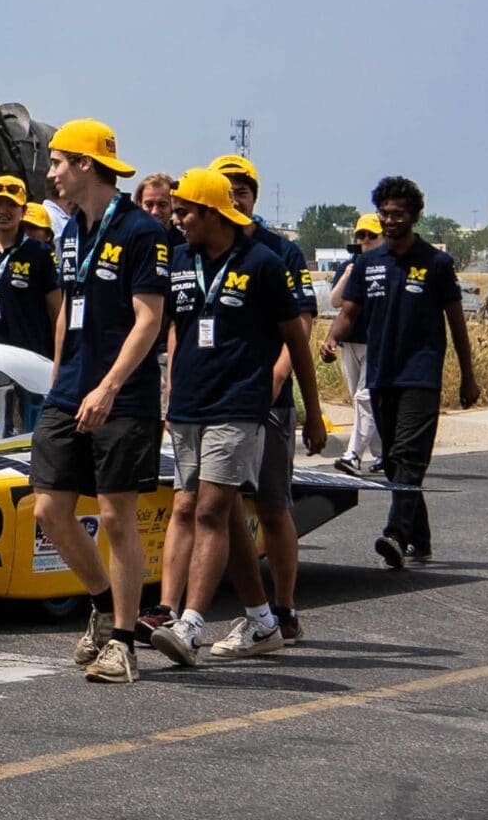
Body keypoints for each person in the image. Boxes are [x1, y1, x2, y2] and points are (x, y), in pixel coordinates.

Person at [150, 167, 324, 668]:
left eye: (184, 211)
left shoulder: (264, 264)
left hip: (240, 406)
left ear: (210, 213)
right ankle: (263, 622)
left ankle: (191, 624)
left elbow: (296, 339)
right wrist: (168, 395)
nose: (176, 219)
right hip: (188, 406)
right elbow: (177, 330)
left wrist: (312, 413)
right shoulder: (180, 260)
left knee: (208, 510)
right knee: (221, 515)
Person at [29, 123, 167, 685]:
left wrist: (108, 386)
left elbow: (150, 320)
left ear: (87, 164)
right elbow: (67, 312)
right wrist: (60, 379)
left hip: (124, 395)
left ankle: (126, 641)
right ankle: (104, 605)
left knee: (115, 516)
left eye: (58, 162)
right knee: (49, 511)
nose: (52, 172)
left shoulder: (140, 232)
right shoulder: (68, 234)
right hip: (69, 392)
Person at [322, 178, 481, 568]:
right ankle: (420, 539)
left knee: (410, 455)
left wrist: (468, 375)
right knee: (393, 460)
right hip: (381, 373)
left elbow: (457, 323)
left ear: (413, 216)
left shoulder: (436, 263)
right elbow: (349, 312)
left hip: (421, 373)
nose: (390, 221)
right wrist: (329, 340)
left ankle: (395, 532)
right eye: (385, 214)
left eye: (398, 214)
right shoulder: (368, 263)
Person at [207, 153, 317, 644]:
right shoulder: (202, 250)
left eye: (243, 189)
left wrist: (276, 376)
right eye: (226, 188)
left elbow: (303, 326)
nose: (236, 196)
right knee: (217, 506)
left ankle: (285, 607)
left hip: (268, 400)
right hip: (217, 400)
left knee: (272, 507)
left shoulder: (282, 253)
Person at [0, 175, 60, 359]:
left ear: (23, 211)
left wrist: (58, 358)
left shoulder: (40, 253)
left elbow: (56, 312)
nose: (3, 211)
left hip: (27, 357)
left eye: (11, 205)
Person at [323, 214, 386, 476]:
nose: (366, 241)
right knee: (360, 400)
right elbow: (336, 302)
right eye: (362, 236)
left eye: (372, 236)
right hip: (350, 342)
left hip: (376, 343)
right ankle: (385, 455)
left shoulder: (387, 267)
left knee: (365, 398)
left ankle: (353, 455)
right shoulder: (350, 267)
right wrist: (349, 273)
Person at [135, 172, 179, 241]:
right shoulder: (127, 241)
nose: (155, 212)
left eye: (162, 205)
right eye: (149, 204)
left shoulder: (185, 246)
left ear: (173, 206)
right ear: (139, 204)